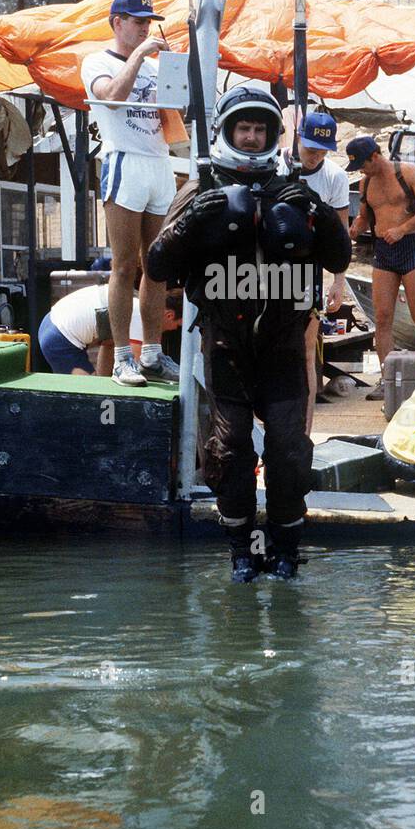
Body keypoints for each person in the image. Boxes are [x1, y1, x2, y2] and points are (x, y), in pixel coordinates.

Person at [147, 86, 351, 583]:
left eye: (261, 129)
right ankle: (240, 550)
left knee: (288, 448)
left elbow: (340, 258)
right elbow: (155, 264)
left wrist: (316, 212)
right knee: (231, 448)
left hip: (282, 344)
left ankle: (286, 551)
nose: (253, 136)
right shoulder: (199, 188)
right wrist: (190, 223)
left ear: (273, 135)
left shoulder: (296, 185)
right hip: (226, 346)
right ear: (228, 131)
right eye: (245, 128)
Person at [80, 0, 179, 388]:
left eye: (147, 22)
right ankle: (123, 355)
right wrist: (140, 56)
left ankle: (152, 352)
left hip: (159, 163)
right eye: (137, 21)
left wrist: (175, 70)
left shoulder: (154, 66)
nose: (144, 28)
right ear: (117, 22)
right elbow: (112, 97)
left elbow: (176, 113)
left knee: (157, 266)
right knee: (122, 265)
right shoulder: (97, 61)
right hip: (124, 159)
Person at [345, 135, 415, 399]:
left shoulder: (407, 172)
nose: (361, 170)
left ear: (375, 156)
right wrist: (353, 230)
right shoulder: (366, 182)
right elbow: (365, 216)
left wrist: (403, 229)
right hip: (384, 250)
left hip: (410, 245)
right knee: (382, 317)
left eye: (362, 164)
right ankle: (387, 379)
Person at [278, 110, 350, 431]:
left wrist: (339, 279)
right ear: (297, 140)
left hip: (310, 268)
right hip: (271, 267)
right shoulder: (277, 165)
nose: (315, 157)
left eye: (322, 151)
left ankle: (304, 431)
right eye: (310, 150)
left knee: (307, 349)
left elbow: (341, 232)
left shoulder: (335, 177)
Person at [39, 283, 183, 376]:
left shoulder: (133, 301)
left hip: (50, 322)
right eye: (178, 326)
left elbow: (108, 344)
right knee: (88, 397)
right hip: (60, 338)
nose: (175, 329)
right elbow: (137, 369)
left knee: (97, 388)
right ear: (169, 315)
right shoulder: (139, 315)